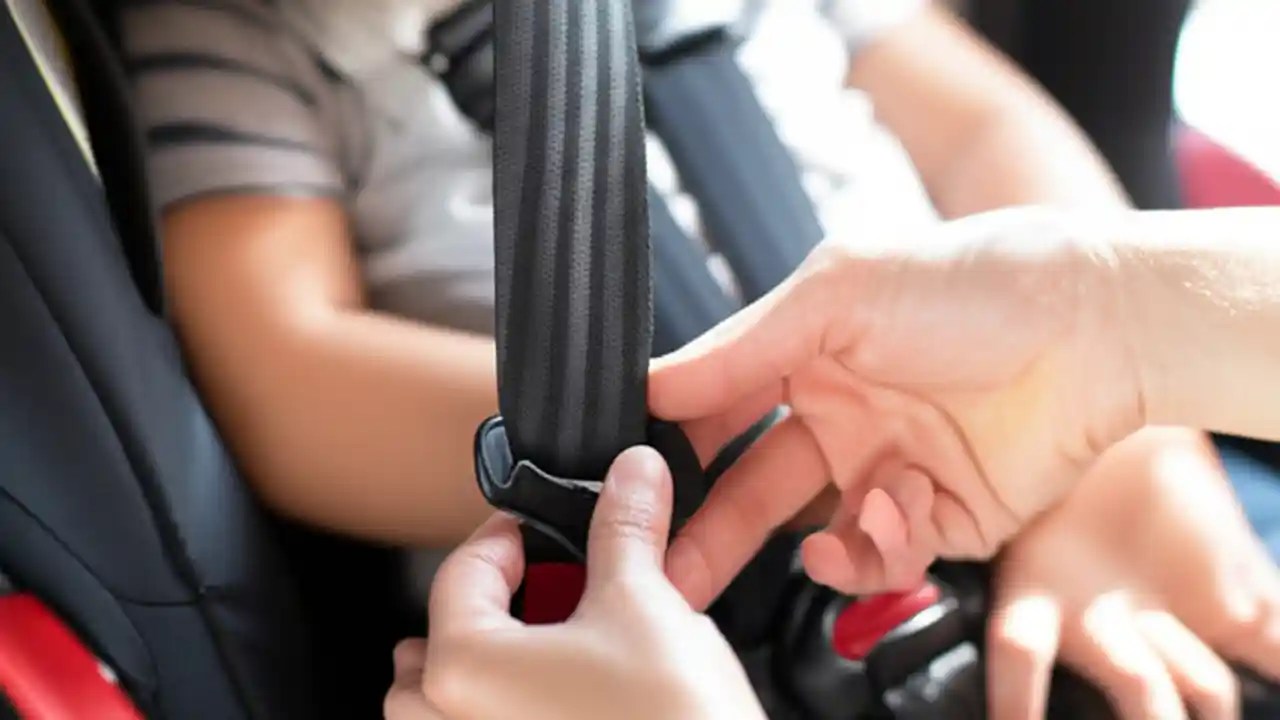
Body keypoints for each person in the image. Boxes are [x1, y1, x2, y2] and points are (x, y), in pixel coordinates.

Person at [387, 204, 1280, 720]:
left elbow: (991, 128)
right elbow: (292, 379)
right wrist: (1116, 335)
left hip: (1104, 488)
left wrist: (1139, 434)